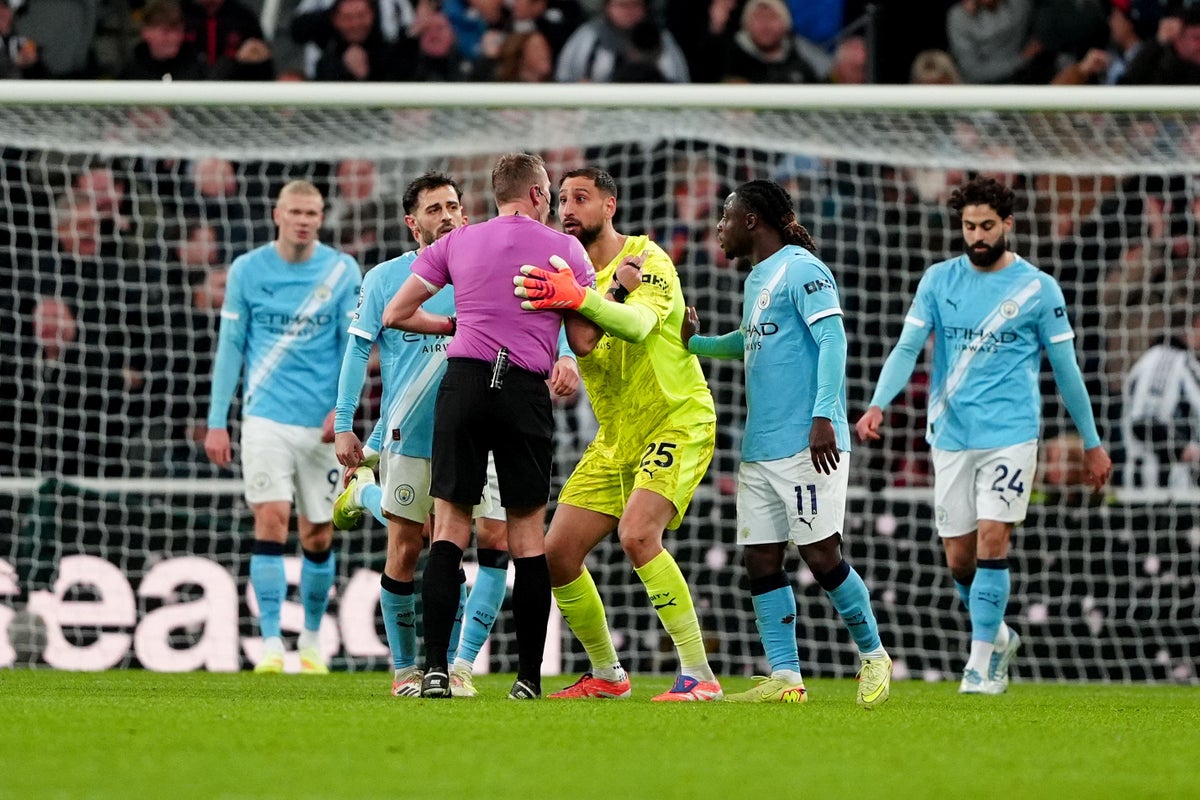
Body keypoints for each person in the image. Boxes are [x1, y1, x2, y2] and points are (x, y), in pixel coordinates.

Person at [855, 175, 1113, 694]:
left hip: (1011, 434)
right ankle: (996, 635)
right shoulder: (937, 281)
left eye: (987, 226)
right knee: (959, 557)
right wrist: (877, 404)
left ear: (1008, 225)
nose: (977, 235)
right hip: (950, 434)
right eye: (969, 225)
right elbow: (907, 349)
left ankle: (979, 666)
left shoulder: (1038, 289)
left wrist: (1091, 441)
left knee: (995, 538)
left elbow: (1066, 372)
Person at [331, 171, 580, 696]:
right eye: (434, 209)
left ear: (468, 211)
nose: (446, 215)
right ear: (412, 222)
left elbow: (538, 320)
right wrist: (344, 420)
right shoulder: (388, 278)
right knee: (408, 543)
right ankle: (407, 670)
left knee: (488, 536)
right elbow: (359, 348)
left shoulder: (474, 262)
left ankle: (459, 666)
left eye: (452, 206)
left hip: (469, 409)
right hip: (412, 430)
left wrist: (563, 358)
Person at [678, 179, 893, 708]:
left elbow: (832, 339)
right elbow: (750, 342)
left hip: (807, 442)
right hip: (761, 447)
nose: (719, 228)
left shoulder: (802, 268)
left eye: (726, 217)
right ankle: (785, 676)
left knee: (821, 555)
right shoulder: (757, 280)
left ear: (752, 220)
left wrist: (824, 415)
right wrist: (695, 343)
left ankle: (874, 655)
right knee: (761, 560)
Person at [515, 167, 723, 702]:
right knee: (555, 553)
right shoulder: (566, 274)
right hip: (616, 435)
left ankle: (699, 674)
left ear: (610, 205)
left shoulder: (646, 257)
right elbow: (581, 344)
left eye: (581, 198)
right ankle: (608, 674)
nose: (568, 208)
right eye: (562, 199)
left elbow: (635, 325)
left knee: (637, 535)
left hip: (675, 417)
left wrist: (585, 296)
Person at [205, 180, 362, 675]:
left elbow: (353, 347)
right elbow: (231, 345)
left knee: (317, 534)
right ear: (277, 213)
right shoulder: (247, 270)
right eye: (295, 211)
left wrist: (341, 414)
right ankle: (271, 644)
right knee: (270, 518)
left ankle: (312, 641)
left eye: (312, 212)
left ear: (321, 217)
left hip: (321, 426)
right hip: (264, 417)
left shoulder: (342, 270)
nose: (304, 220)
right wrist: (217, 422)